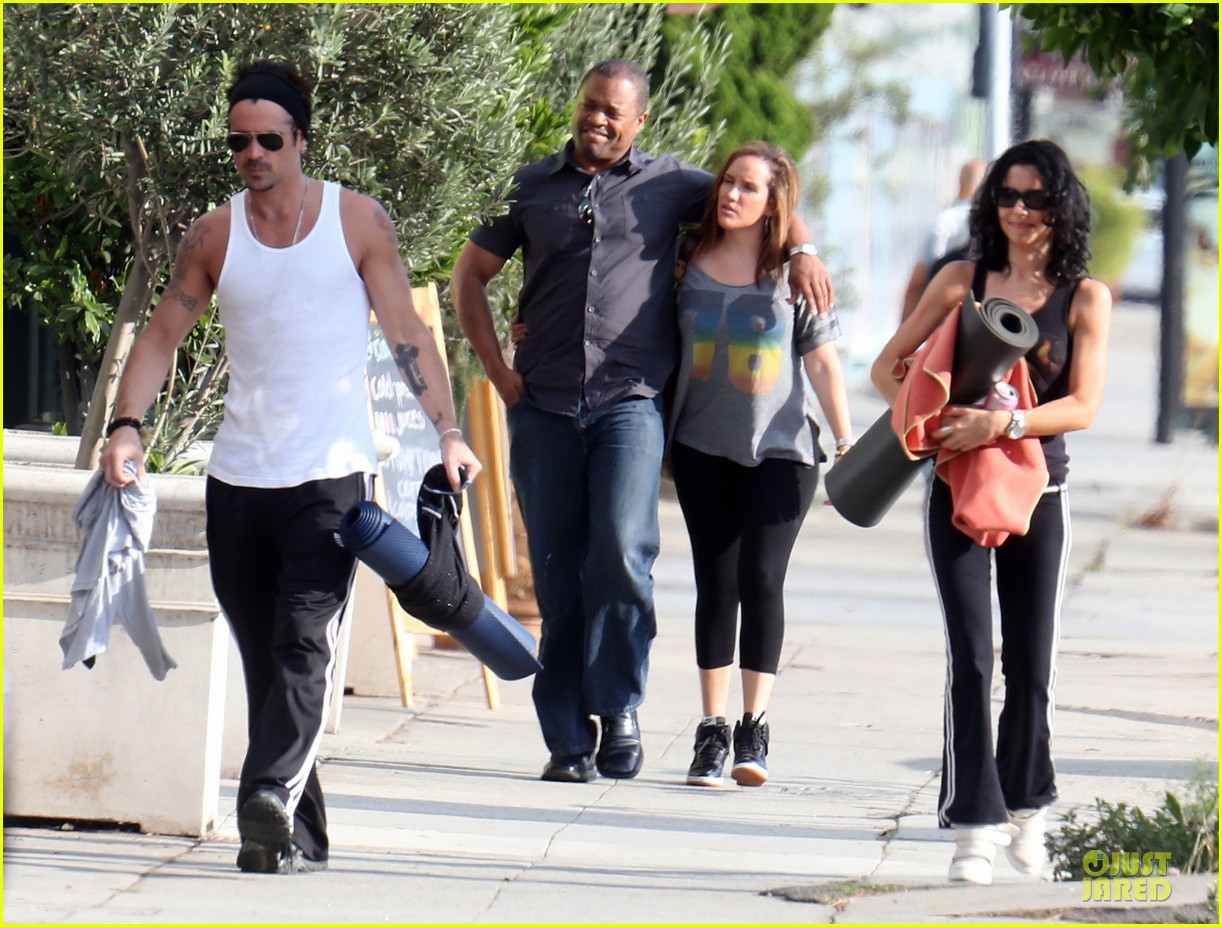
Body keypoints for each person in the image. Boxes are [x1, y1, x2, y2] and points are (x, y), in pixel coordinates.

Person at [99, 59, 481, 874]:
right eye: (239, 141)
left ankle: (261, 795)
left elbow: (409, 335)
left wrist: (447, 429)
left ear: (301, 140)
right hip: (238, 481)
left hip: (330, 478)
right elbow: (163, 334)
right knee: (265, 660)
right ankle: (296, 832)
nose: (253, 153)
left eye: (269, 138)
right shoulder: (214, 234)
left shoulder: (357, 222)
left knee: (305, 643)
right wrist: (126, 427)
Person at [451, 58, 833, 784]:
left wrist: (805, 246)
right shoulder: (529, 186)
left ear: (638, 122)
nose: (598, 119)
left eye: (613, 112)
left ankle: (619, 707)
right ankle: (566, 737)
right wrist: (500, 370)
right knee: (560, 574)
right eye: (590, 105)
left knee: (624, 553)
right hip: (545, 407)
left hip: (631, 402)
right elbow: (469, 277)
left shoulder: (672, 186)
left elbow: (757, 186)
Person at [870, 139, 1111, 884]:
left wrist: (1000, 425)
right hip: (956, 490)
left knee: (1032, 664)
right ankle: (973, 825)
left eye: (1036, 197)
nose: (1019, 210)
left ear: (1061, 205)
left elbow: (1083, 404)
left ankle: (1029, 812)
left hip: (1042, 495)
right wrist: (938, 426)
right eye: (1007, 195)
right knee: (972, 659)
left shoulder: (1085, 297)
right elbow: (888, 368)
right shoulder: (959, 280)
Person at [669, 142, 852, 788]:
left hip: (783, 451)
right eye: (728, 182)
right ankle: (712, 730)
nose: (732, 195)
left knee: (762, 579)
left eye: (749, 188)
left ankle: (756, 725)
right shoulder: (686, 259)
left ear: (774, 202)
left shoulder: (792, 276)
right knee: (715, 583)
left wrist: (847, 437)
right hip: (700, 446)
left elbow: (824, 362)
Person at [900, 159, 986, 321]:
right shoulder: (1001, 223)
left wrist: (905, 333)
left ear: (961, 183)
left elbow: (916, 282)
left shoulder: (946, 221)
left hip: (941, 320)